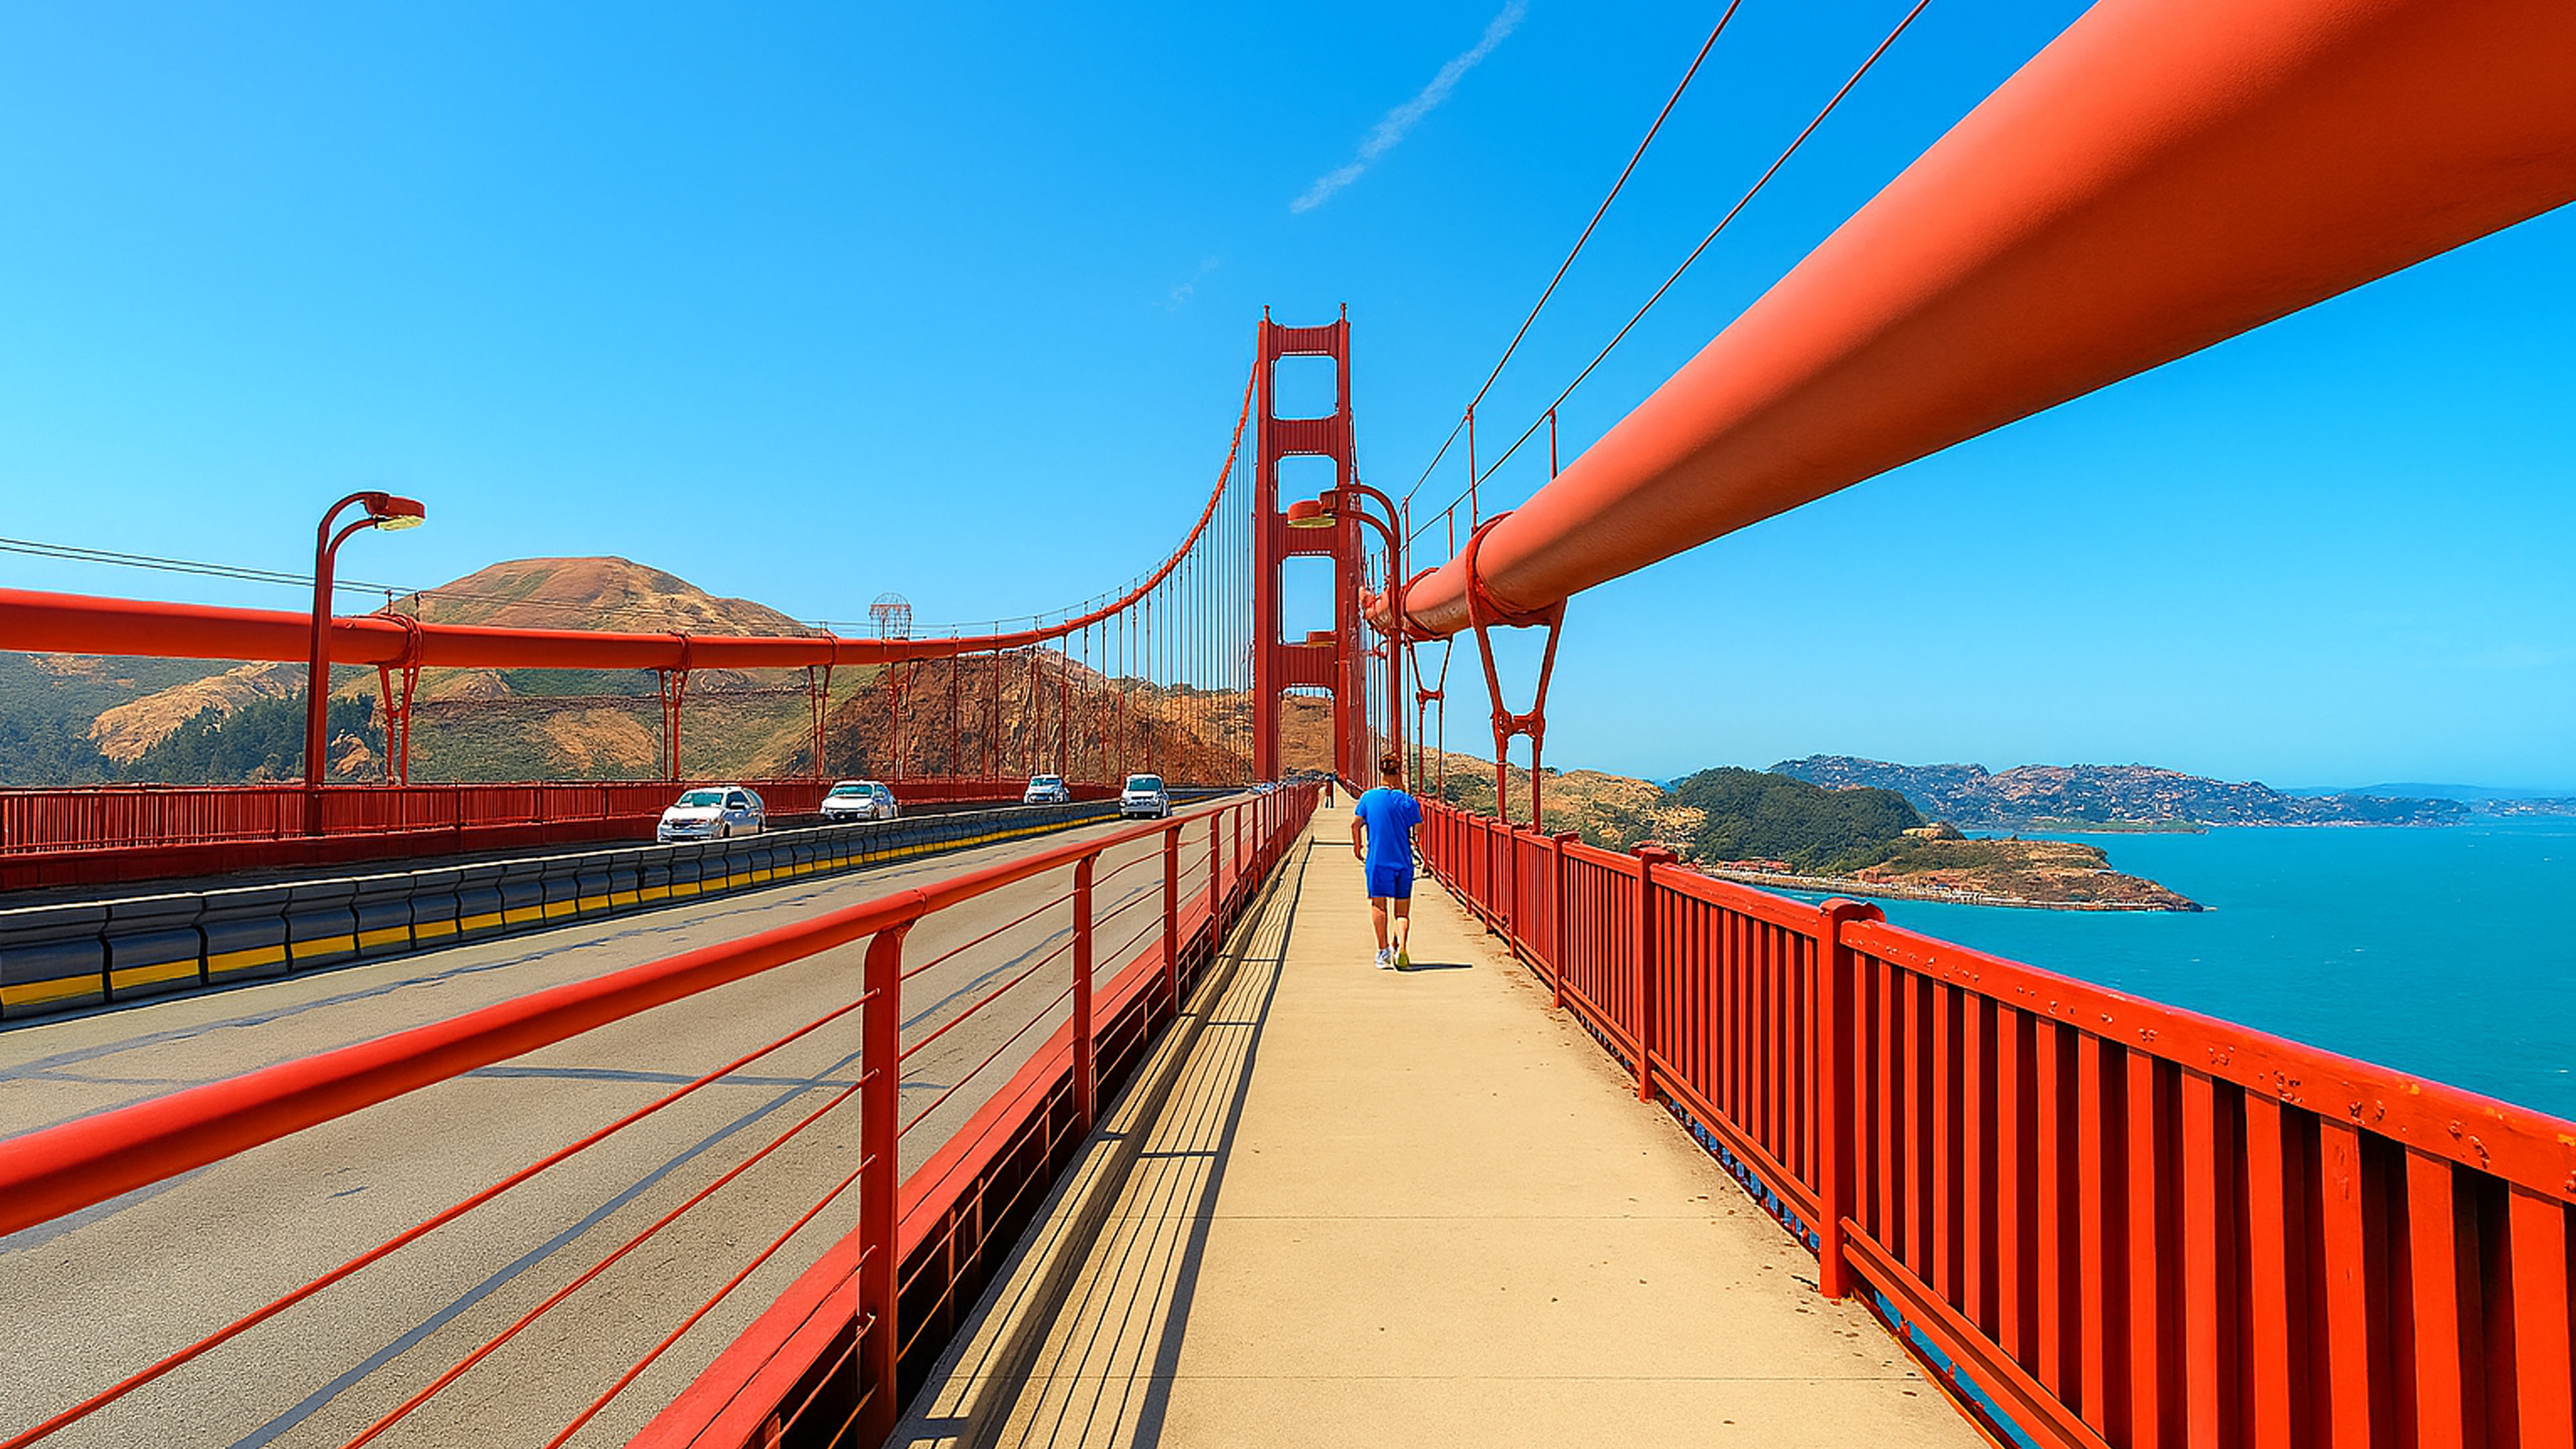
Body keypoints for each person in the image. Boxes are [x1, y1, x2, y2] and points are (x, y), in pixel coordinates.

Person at [1350, 751, 1421, 970]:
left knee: (1379, 905)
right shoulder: (1408, 801)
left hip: (1378, 861)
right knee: (1402, 912)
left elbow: (1355, 824)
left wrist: (1357, 845)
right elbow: (1418, 830)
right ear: (1399, 773)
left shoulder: (1368, 798)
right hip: (1403, 862)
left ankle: (1383, 952)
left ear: (1380, 772)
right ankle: (1401, 947)